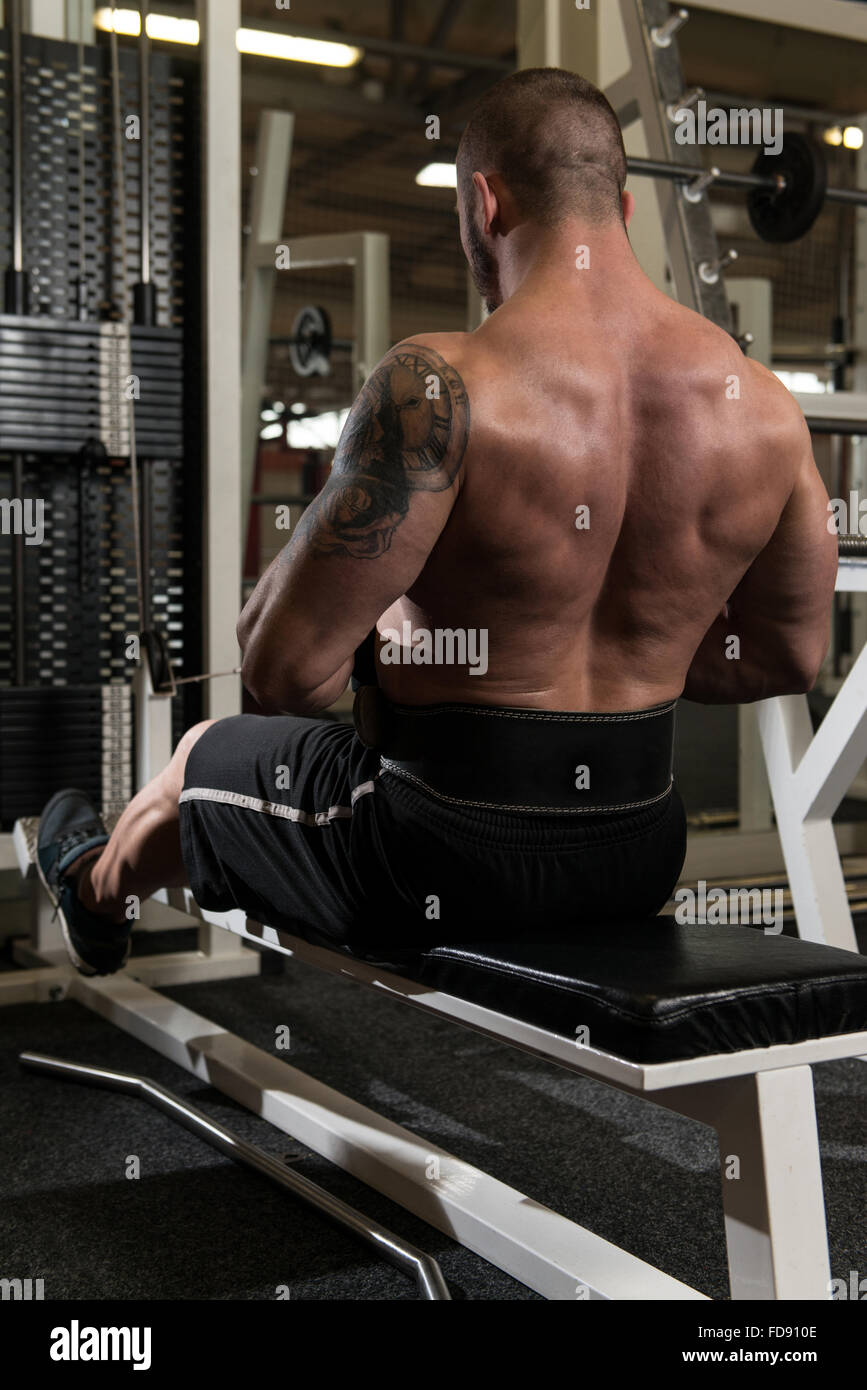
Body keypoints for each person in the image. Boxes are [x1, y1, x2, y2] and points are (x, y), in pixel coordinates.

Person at [37, 67, 838, 976]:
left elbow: (282, 668)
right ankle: (95, 878)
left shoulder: (439, 385)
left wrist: (414, 649)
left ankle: (93, 891)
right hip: (637, 851)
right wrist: (624, 658)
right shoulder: (765, 408)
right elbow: (784, 658)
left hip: (432, 850)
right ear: (621, 208)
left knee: (203, 752)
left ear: (483, 202)